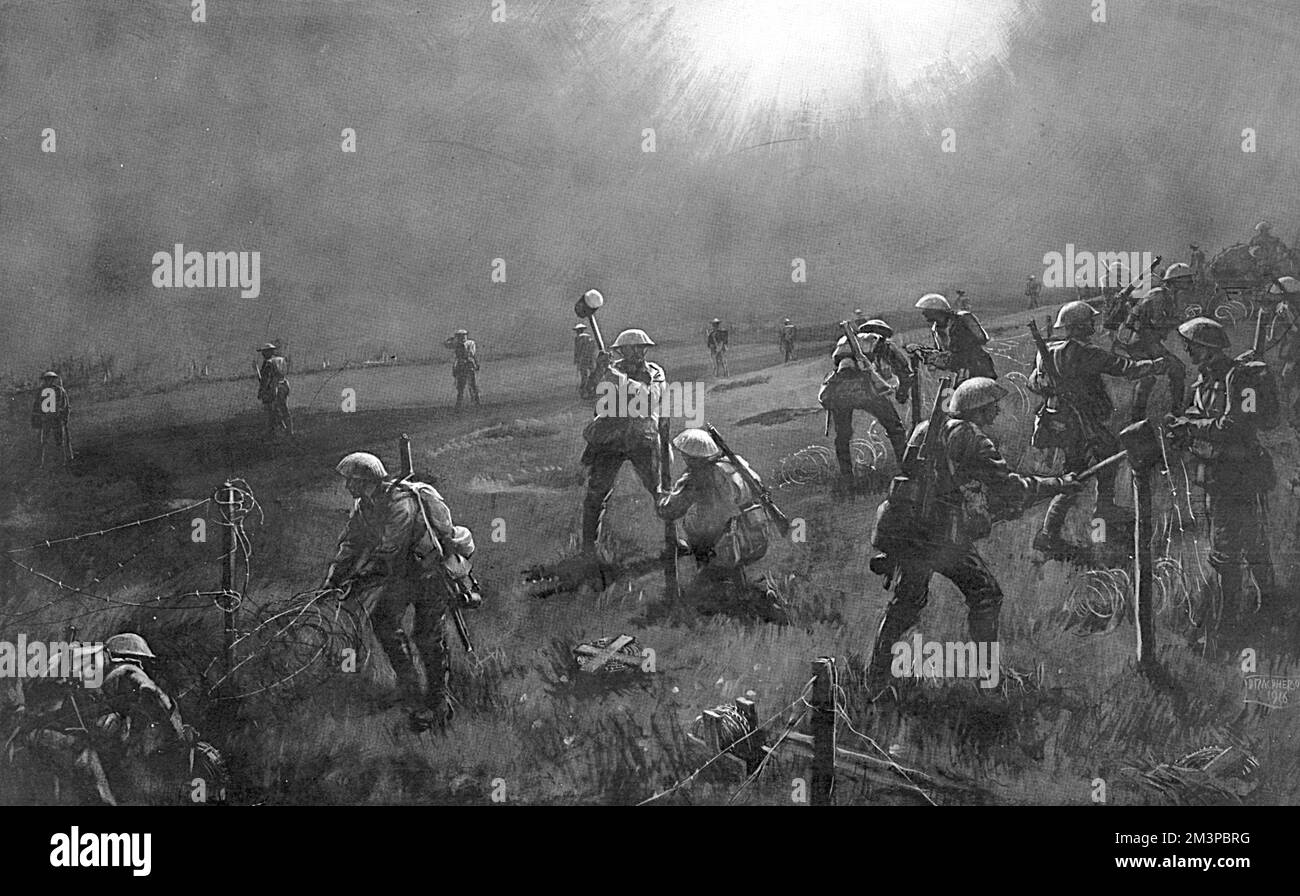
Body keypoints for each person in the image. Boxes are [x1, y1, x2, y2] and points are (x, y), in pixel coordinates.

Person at [866, 378, 1080, 683]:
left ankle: (875, 676)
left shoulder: (924, 428)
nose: (996, 412)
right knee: (986, 595)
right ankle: (987, 679)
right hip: (941, 533)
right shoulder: (973, 438)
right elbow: (1011, 489)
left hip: (907, 529)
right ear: (979, 410)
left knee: (907, 599)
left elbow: (915, 472)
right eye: (992, 407)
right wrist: (1059, 484)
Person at [323, 452, 464, 731]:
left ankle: (438, 702)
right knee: (384, 623)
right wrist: (334, 579)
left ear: (367, 481)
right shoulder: (365, 506)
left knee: (427, 637)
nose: (347, 486)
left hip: (429, 575)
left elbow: (389, 551)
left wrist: (359, 580)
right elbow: (351, 545)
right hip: (401, 577)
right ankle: (410, 688)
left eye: (352, 480)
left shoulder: (402, 504)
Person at [1165, 318, 1277, 635]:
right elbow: (1192, 417)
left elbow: (1234, 426)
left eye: (1192, 344)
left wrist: (1191, 427)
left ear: (1210, 348)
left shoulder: (1237, 378)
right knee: (1249, 541)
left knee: (1229, 548)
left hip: (1240, 474)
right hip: (1217, 474)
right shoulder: (1202, 381)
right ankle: (1265, 605)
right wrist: (1179, 426)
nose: (1186, 348)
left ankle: (1227, 625)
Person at [1029, 301, 1167, 557]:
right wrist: (1156, 365)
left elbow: (1034, 383)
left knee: (1101, 457)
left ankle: (1101, 512)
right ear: (1080, 326)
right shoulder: (1084, 352)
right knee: (1078, 473)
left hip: (1060, 421)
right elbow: (1124, 368)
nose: (1093, 325)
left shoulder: (1047, 352)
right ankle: (1056, 531)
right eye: (1089, 322)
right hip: (1080, 423)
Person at [656, 429, 784, 621]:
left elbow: (669, 511)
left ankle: (758, 601)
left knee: (697, 597)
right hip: (756, 536)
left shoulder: (696, 477)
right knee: (728, 568)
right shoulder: (735, 464)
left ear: (691, 457)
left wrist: (662, 494)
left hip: (726, 545)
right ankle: (752, 594)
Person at [579, 328, 666, 553]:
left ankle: (673, 538)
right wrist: (599, 372)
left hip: (642, 438)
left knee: (659, 489)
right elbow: (588, 394)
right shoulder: (610, 370)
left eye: (642, 347)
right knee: (596, 494)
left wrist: (617, 379)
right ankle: (588, 548)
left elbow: (649, 398)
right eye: (633, 348)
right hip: (610, 440)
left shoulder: (655, 372)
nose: (639, 352)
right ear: (622, 351)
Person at [819, 319, 912, 494]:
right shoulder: (879, 342)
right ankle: (908, 470)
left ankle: (848, 480)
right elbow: (903, 368)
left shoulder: (844, 343)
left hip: (839, 391)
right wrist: (902, 392)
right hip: (865, 389)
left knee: (842, 436)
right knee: (895, 428)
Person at [1115, 263, 1192, 422]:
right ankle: (1141, 419)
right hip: (1137, 341)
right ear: (1175, 282)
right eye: (1186, 281)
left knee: (1171, 371)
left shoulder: (1168, 296)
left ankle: (1171, 414)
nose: (1189, 284)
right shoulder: (1158, 295)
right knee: (1153, 375)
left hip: (1145, 340)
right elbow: (1157, 322)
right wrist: (1180, 321)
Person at [914, 293, 997, 383]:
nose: (923, 313)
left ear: (936, 310)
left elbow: (981, 339)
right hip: (960, 372)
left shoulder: (963, 319)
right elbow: (943, 353)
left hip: (978, 368)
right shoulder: (936, 329)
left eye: (927, 310)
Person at [31, 371, 72, 466]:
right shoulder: (57, 390)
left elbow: (64, 405)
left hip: (54, 419)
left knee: (57, 441)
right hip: (48, 419)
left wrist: (64, 416)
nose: (49, 381)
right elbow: (65, 405)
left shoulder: (46, 390)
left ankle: (62, 461)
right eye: (47, 379)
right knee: (44, 441)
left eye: (50, 379)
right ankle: (42, 462)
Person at [256, 343, 293, 437]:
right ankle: (288, 429)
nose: (263, 354)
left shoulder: (268, 363)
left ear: (269, 352)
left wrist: (262, 391)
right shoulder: (281, 360)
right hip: (284, 385)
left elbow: (265, 379)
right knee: (284, 408)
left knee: (273, 409)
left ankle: (275, 430)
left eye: (264, 352)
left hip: (274, 387)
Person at [443, 329, 480, 409]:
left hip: (469, 364)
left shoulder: (470, 343)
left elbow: (473, 354)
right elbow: (446, 345)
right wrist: (451, 339)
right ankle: (459, 403)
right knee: (460, 386)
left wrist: (476, 363)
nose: (462, 337)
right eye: (460, 336)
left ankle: (476, 401)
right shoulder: (456, 344)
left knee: (472, 384)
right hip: (460, 366)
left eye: (464, 335)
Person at [573, 323, 597, 396]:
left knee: (584, 374)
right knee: (592, 372)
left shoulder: (578, 338)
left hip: (583, 358)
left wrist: (576, 359)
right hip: (589, 357)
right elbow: (593, 347)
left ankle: (584, 388)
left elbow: (577, 349)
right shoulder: (589, 337)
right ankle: (594, 387)